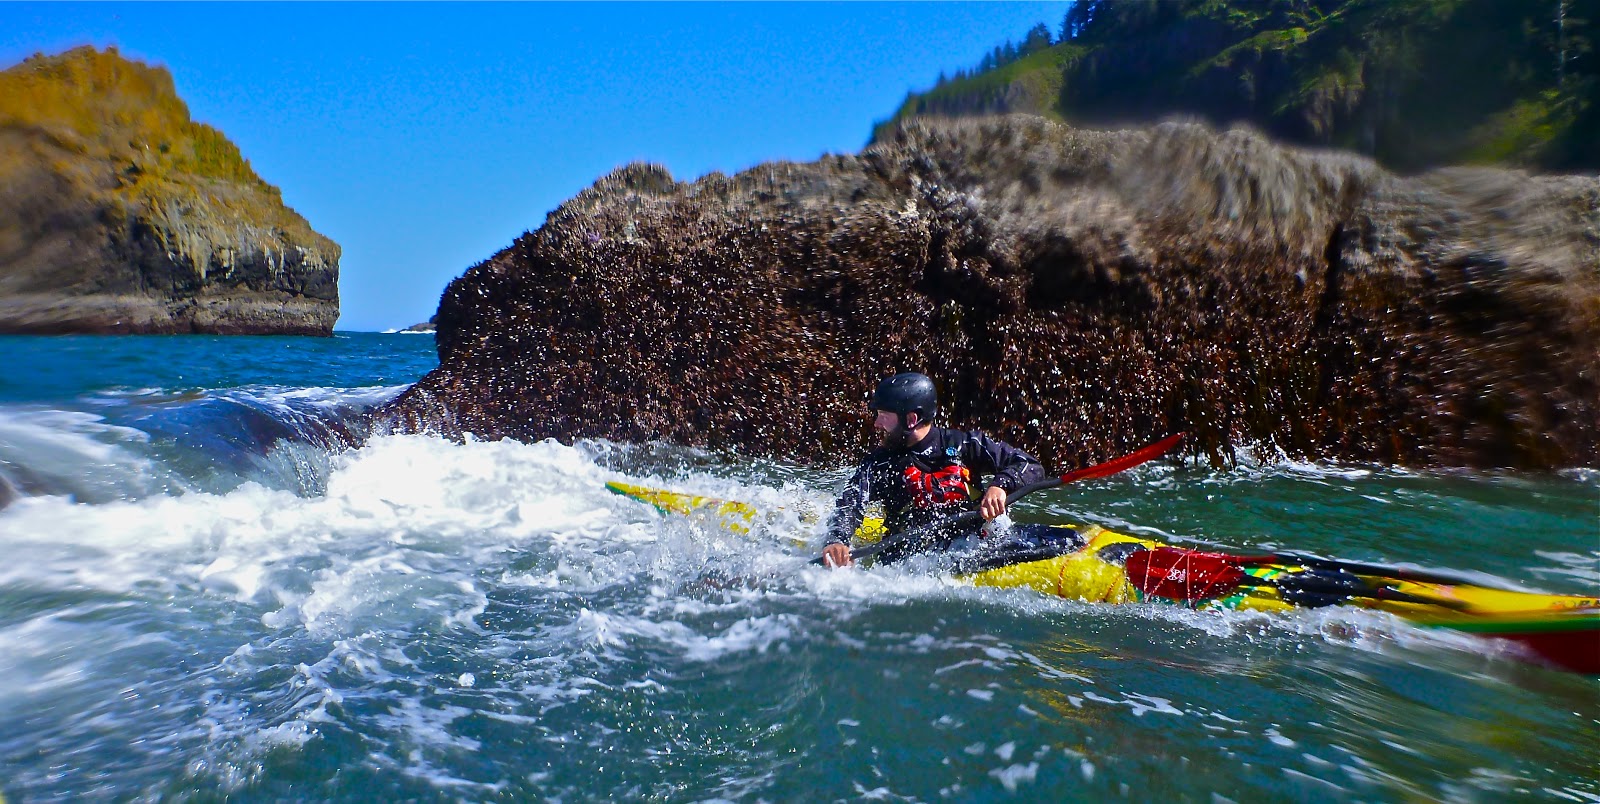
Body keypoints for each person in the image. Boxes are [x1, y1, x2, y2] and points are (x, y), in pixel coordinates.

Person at [820, 372, 1047, 568]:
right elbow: (850, 504)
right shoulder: (878, 464)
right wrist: (837, 540)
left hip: (974, 543)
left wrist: (1000, 485)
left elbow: (1030, 465)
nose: (877, 424)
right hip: (912, 560)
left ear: (911, 419)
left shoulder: (964, 443)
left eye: (884, 416)